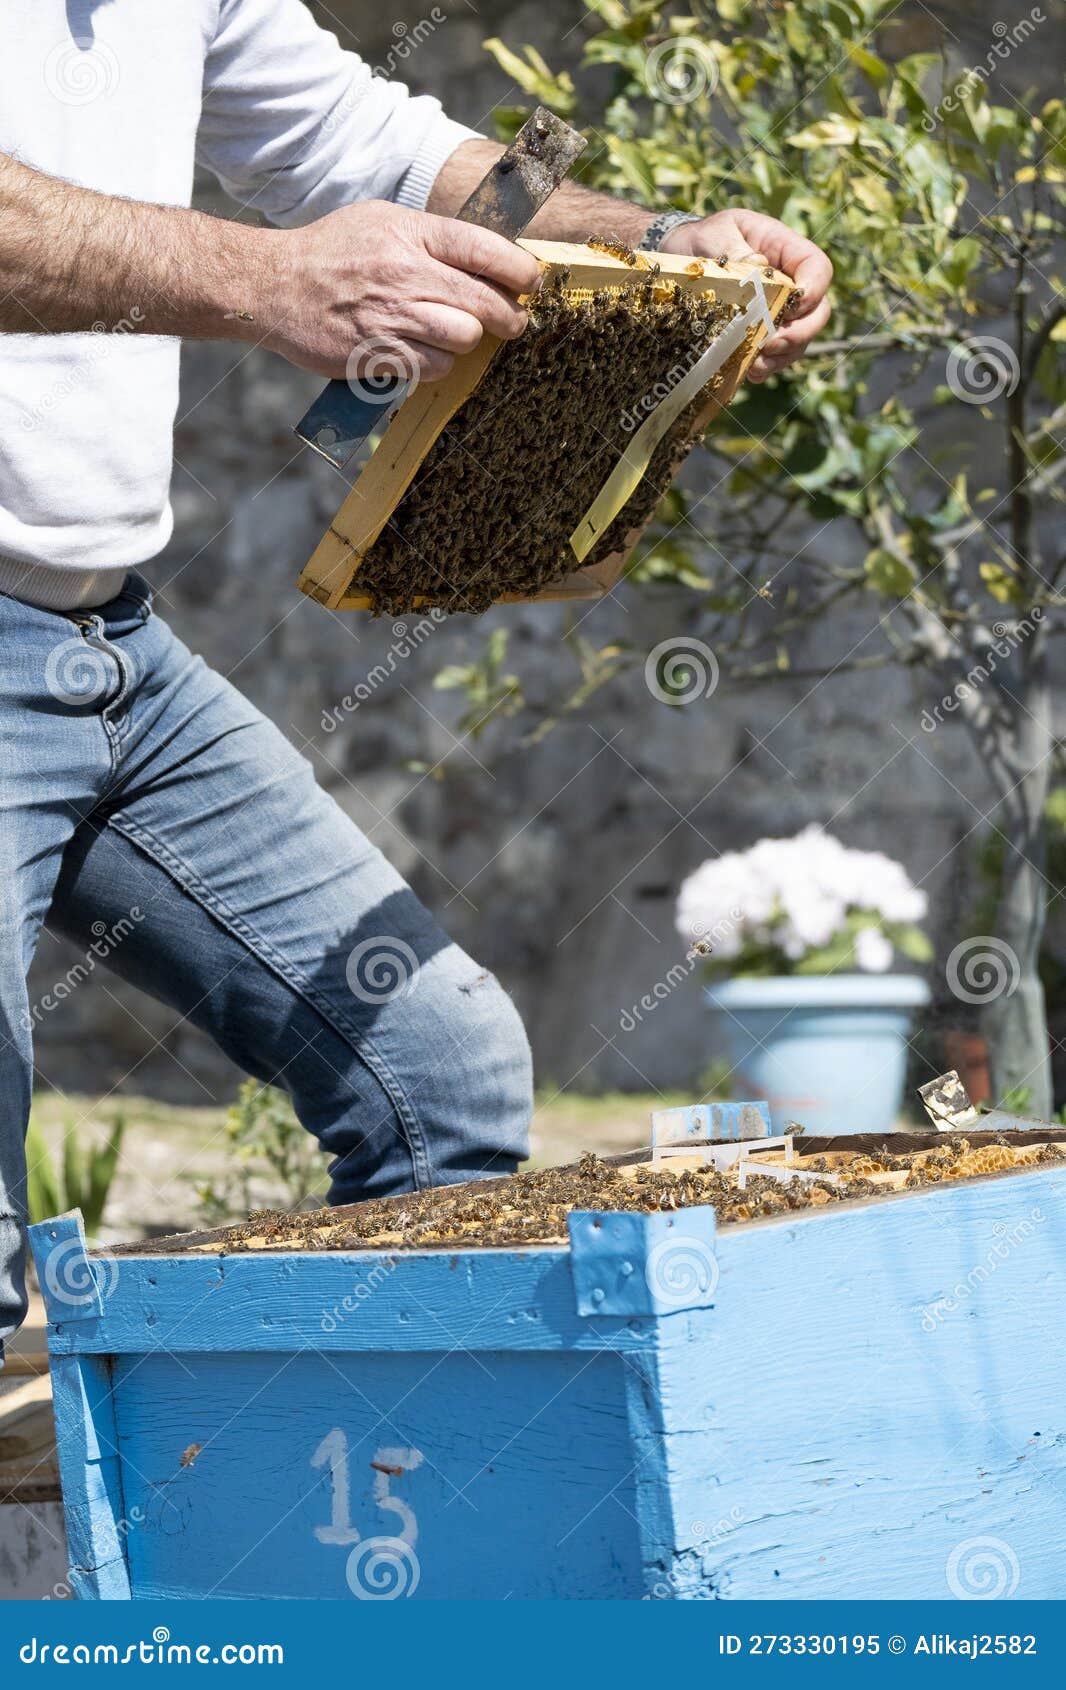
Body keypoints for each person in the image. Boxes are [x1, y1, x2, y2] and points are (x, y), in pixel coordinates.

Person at [0, 0, 831, 1356]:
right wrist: (261, 280)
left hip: (106, 645)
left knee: (433, 1074)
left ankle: (377, 1528)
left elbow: (355, 134)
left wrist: (658, 244)